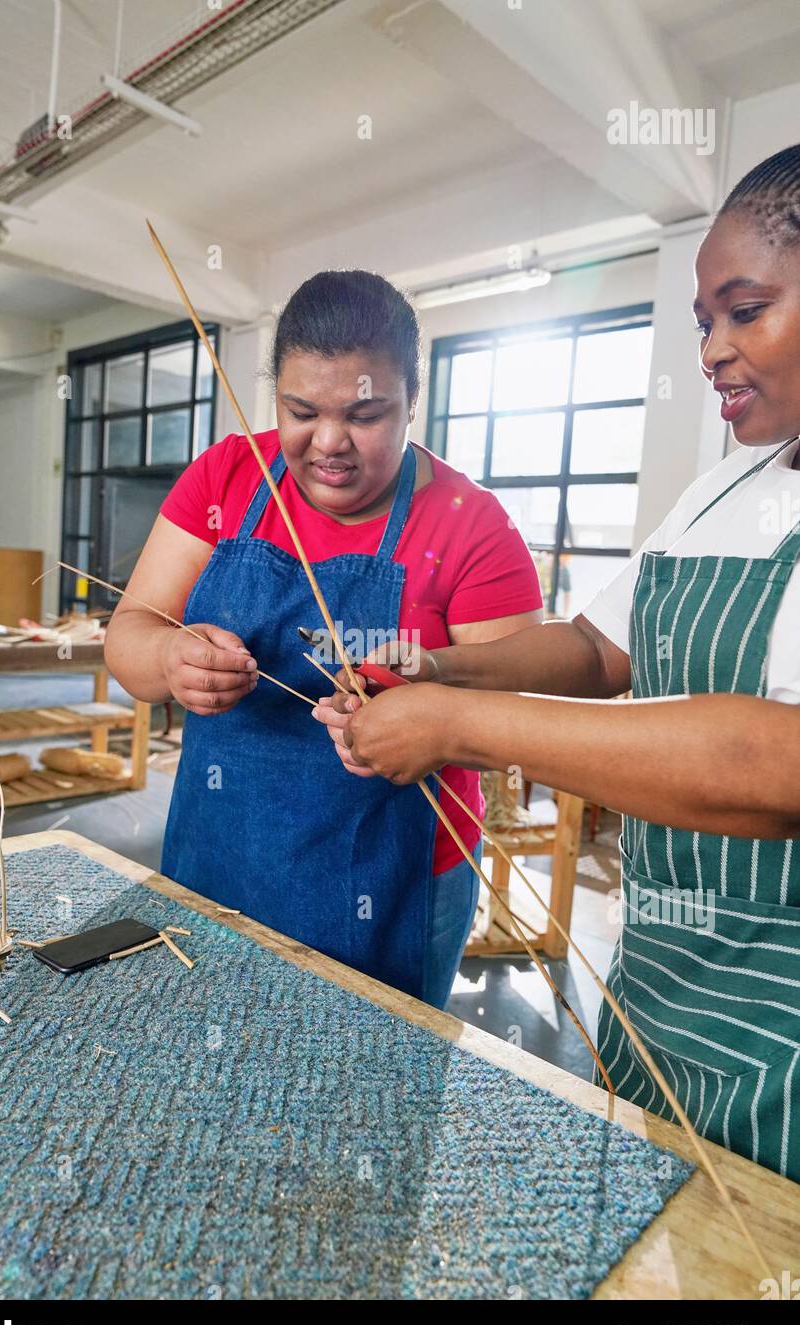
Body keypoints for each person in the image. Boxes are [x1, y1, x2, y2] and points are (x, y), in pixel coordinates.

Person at [316, 146, 800, 1180]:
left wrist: (460, 729)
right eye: (701, 321)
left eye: (745, 310)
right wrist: (438, 671)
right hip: (668, 988)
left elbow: (773, 766)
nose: (712, 349)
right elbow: (597, 647)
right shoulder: (726, 490)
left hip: (784, 1022)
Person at [105, 270, 542, 1006]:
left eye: (366, 415)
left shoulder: (471, 523)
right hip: (218, 847)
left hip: (387, 876)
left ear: (412, 399)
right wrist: (168, 659)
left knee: (364, 1101)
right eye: (301, 411)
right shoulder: (227, 477)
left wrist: (428, 713)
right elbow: (130, 633)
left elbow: (517, 723)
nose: (329, 444)